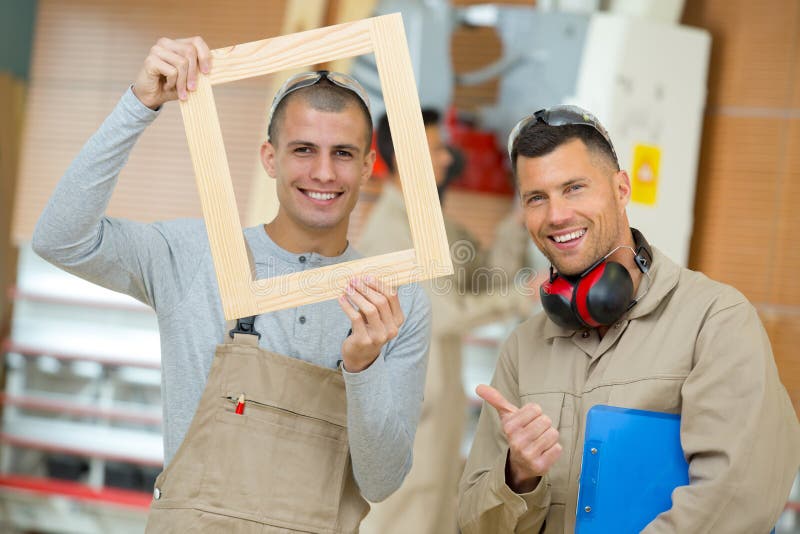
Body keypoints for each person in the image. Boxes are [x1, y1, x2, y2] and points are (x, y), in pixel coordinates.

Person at [32, 36, 432, 532]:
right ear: (270, 158)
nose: (324, 172)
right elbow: (59, 239)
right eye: (303, 150)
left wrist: (365, 365)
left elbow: (382, 481)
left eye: (344, 153)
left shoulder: (397, 298)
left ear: (369, 166)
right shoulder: (196, 255)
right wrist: (139, 105)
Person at [457, 104, 800, 533]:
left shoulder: (715, 321)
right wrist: (518, 476)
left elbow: (736, 497)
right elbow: (473, 524)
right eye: (536, 198)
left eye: (574, 188)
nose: (556, 214)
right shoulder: (523, 348)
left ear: (621, 189)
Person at [358, 110, 533, 534]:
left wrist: (518, 221)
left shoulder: (436, 227)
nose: (445, 159)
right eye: (435, 150)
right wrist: (524, 298)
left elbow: (489, 275)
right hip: (410, 415)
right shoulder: (388, 232)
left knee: (435, 513)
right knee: (403, 519)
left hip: (440, 409)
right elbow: (447, 314)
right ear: (403, 157)